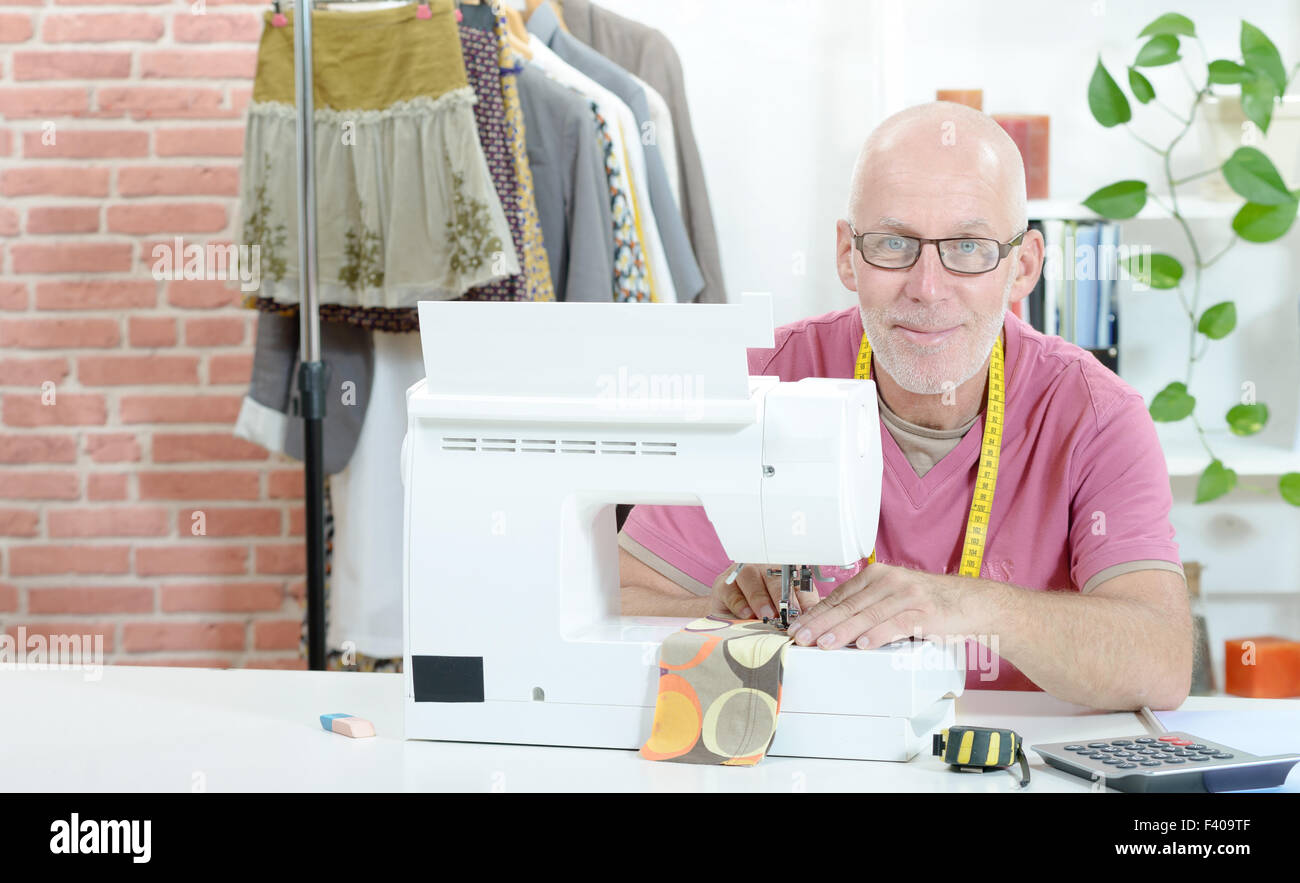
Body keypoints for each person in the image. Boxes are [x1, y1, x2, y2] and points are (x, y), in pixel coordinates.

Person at [617, 100, 1192, 711]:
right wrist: (716, 609)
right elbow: (621, 598)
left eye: (968, 247)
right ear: (847, 254)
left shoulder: (1096, 415)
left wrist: (959, 604)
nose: (927, 287)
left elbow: (1161, 662)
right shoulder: (764, 379)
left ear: (1023, 266)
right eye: (893, 244)